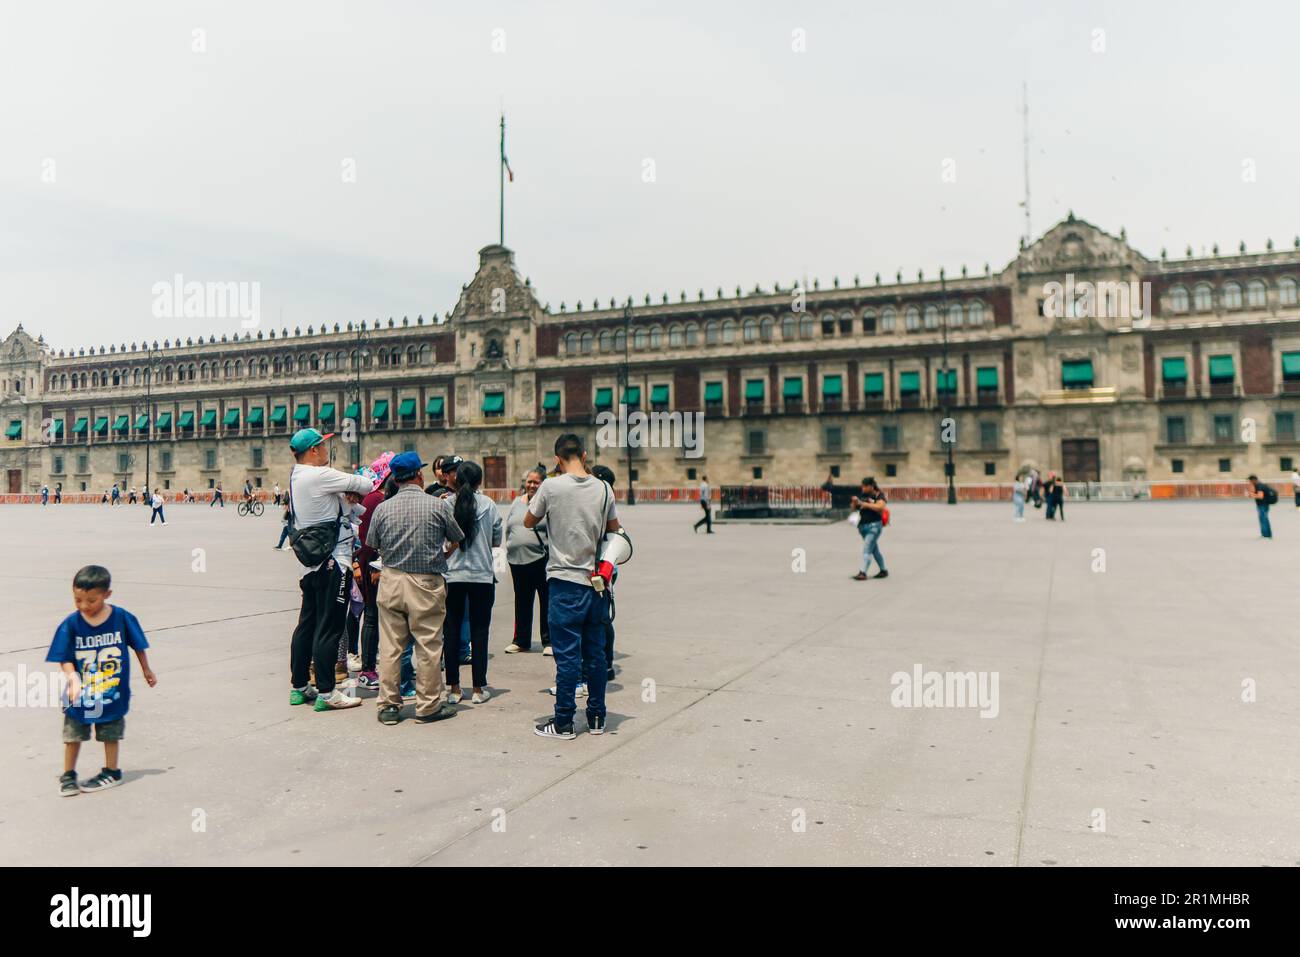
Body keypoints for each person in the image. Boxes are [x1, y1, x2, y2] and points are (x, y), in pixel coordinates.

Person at [525, 433, 620, 739]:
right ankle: (596, 718)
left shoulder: (551, 486)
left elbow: (529, 521)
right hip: (596, 585)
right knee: (595, 656)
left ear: (557, 459)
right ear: (584, 453)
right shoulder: (604, 488)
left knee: (567, 657)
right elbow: (615, 530)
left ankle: (564, 721)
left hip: (564, 583)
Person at [366, 452, 462, 726]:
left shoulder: (383, 508)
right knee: (429, 645)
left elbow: (373, 543)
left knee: (391, 647)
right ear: (419, 476)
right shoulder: (438, 506)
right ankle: (428, 706)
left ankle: (388, 706)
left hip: (392, 580)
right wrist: (442, 557)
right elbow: (457, 538)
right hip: (426, 582)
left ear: (395, 478)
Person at [46, 565, 157, 795]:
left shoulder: (121, 617)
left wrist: (146, 669)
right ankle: (68, 775)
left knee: (110, 733)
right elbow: (64, 657)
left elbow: (137, 645)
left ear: (107, 595)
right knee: (72, 735)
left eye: (91, 600)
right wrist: (73, 678)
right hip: (80, 694)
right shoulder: (71, 623)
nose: (84, 606)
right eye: (78, 600)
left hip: (111, 692)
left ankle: (112, 771)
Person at [286, 428, 372, 711]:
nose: (327, 450)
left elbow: (344, 509)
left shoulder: (296, 476)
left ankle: (299, 687)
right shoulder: (320, 475)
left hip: (310, 563)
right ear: (313, 451)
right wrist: (350, 487)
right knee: (330, 627)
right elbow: (366, 484)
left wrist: (346, 498)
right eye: (323, 445)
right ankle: (326, 692)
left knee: (307, 625)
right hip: (334, 561)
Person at [444, 461, 502, 705]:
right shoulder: (489, 505)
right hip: (481, 574)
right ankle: (478, 688)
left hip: (453, 574)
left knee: (451, 630)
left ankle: (454, 688)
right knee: (479, 631)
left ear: (456, 479)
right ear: (480, 481)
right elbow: (497, 538)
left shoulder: (447, 504)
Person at [351, 452, 394, 688]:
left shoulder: (373, 498)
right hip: (373, 566)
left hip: (368, 564)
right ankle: (368, 670)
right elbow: (371, 539)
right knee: (372, 617)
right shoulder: (377, 500)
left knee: (372, 617)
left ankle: (371, 666)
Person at [504, 468, 549, 654]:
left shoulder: (547, 503)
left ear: (543, 484)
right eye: (529, 481)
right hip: (517, 561)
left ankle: (549, 641)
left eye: (536, 482)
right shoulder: (516, 502)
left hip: (541, 559)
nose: (531, 485)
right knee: (522, 601)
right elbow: (509, 526)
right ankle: (521, 640)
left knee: (546, 600)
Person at [821, 472, 888, 581]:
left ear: (871, 486)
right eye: (863, 486)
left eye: (865, 486)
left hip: (874, 526)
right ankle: (883, 570)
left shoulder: (879, 495)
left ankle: (863, 573)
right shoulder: (862, 495)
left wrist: (864, 504)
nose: (863, 488)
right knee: (874, 550)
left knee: (867, 549)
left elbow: (880, 507)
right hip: (863, 527)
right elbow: (854, 509)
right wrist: (854, 503)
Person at [590, 464, 620, 682]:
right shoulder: (603, 499)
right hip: (605, 565)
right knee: (602, 617)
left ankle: (605, 662)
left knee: (602, 618)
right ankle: (604, 661)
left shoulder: (603, 501)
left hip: (603, 567)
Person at [1248, 474, 1275, 538]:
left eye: (1250, 481)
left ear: (1254, 480)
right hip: (1264, 504)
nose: (1250, 482)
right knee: (1264, 519)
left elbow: (1260, 496)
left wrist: (1251, 495)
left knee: (1263, 520)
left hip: (1262, 505)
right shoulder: (1261, 485)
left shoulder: (1259, 486)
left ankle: (1266, 535)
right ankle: (1267, 534)